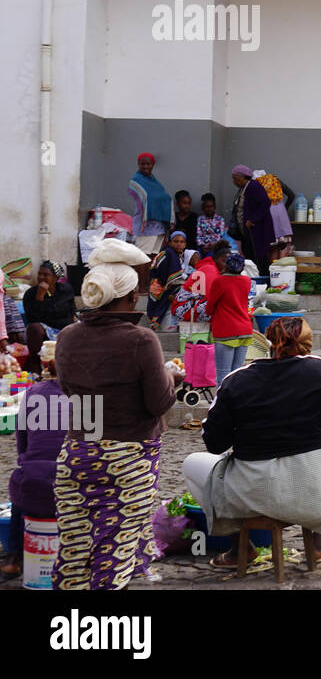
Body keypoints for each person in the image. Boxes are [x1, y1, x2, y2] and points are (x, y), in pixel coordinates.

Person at [52, 238, 182, 590]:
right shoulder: (140, 340)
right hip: (129, 458)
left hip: (77, 453)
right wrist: (172, 377)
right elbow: (159, 403)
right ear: (128, 298)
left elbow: (72, 393)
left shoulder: (66, 337)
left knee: (74, 554)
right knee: (114, 555)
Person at [182, 316, 321, 568]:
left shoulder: (235, 379)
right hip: (310, 486)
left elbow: (214, 444)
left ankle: (238, 548)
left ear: (268, 343)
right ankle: (320, 539)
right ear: (308, 344)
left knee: (192, 463)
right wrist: (317, 435)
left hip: (250, 492)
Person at [1, 347, 68, 577]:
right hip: (74, 491)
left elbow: (23, 448)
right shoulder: (89, 396)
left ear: (46, 366)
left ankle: (13, 556)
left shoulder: (33, 392)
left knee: (24, 479)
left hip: (35, 490)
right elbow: (93, 449)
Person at [208, 249, 254, 385]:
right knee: (237, 373)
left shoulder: (220, 281)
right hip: (245, 330)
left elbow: (210, 307)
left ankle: (222, 404)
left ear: (226, 265)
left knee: (223, 374)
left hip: (225, 330)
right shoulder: (247, 281)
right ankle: (236, 404)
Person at [22, 261, 78, 363]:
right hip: (46, 329)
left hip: (65, 328)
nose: (41, 277)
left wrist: (73, 317)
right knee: (34, 328)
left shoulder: (66, 290)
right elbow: (32, 319)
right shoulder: (31, 294)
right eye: (40, 274)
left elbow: (72, 308)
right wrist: (40, 297)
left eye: (46, 274)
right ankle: (36, 364)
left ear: (56, 278)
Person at [170, 241, 226, 323]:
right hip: (182, 309)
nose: (227, 264)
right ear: (216, 259)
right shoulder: (210, 270)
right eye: (224, 261)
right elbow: (210, 297)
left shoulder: (216, 269)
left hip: (194, 304)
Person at [128, 152, 171, 255]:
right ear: (138, 164)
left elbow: (163, 198)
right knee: (142, 256)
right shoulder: (137, 180)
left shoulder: (154, 181)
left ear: (153, 165)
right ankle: (141, 272)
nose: (145, 166)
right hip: (146, 227)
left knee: (153, 256)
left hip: (159, 226)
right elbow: (148, 199)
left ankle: (149, 272)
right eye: (143, 164)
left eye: (148, 164)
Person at [231, 164, 273, 268]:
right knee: (250, 257)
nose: (234, 181)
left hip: (257, 231)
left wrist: (253, 219)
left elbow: (266, 203)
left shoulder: (253, 186)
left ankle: (263, 280)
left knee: (259, 258)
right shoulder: (243, 188)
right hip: (247, 232)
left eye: (235, 178)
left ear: (242, 177)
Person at [146, 230, 188, 331]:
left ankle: (157, 323)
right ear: (170, 243)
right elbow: (170, 277)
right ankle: (156, 323)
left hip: (161, 284)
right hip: (160, 284)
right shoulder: (169, 254)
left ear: (185, 244)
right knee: (160, 304)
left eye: (182, 242)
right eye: (176, 241)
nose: (179, 244)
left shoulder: (176, 255)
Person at [255, 170, 295, 245]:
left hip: (267, 216)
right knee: (282, 248)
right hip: (282, 215)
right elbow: (291, 195)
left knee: (269, 249)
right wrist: (285, 208)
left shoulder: (256, 183)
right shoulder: (275, 180)